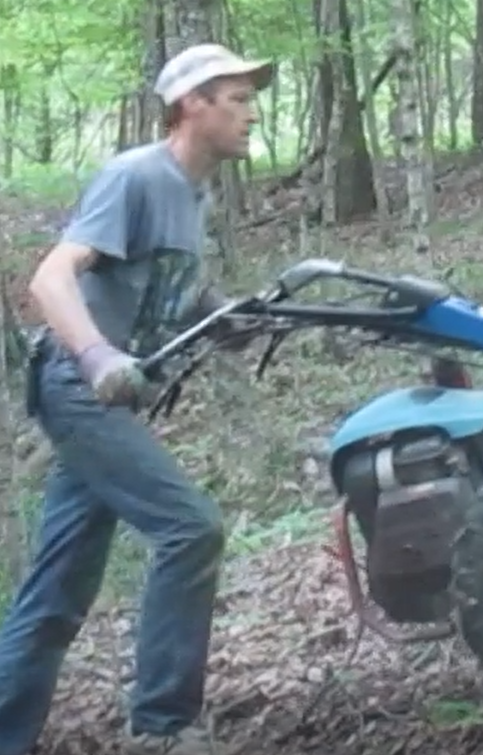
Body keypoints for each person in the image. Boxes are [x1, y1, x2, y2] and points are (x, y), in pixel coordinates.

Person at [0, 43, 273, 755]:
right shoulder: (138, 175)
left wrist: (224, 316)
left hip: (109, 401)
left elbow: (170, 285)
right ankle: (162, 726)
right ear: (191, 105)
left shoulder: (194, 192)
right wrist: (98, 356)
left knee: (56, 591)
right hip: (78, 386)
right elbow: (50, 278)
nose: (252, 114)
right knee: (192, 528)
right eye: (237, 100)